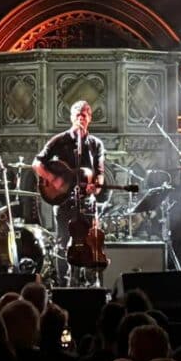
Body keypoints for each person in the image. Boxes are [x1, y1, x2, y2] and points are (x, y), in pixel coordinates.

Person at [33, 99, 106, 284]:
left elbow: (100, 174)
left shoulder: (96, 144)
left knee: (89, 241)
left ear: (89, 118)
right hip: (64, 201)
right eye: (77, 115)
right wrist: (54, 179)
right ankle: (64, 282)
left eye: (84, 115)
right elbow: (37, 163)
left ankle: (89, 280)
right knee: (63, 240)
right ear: (71, 117)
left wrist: (95, 187)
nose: (80, 118)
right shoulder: (60, 140)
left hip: (86, 201)